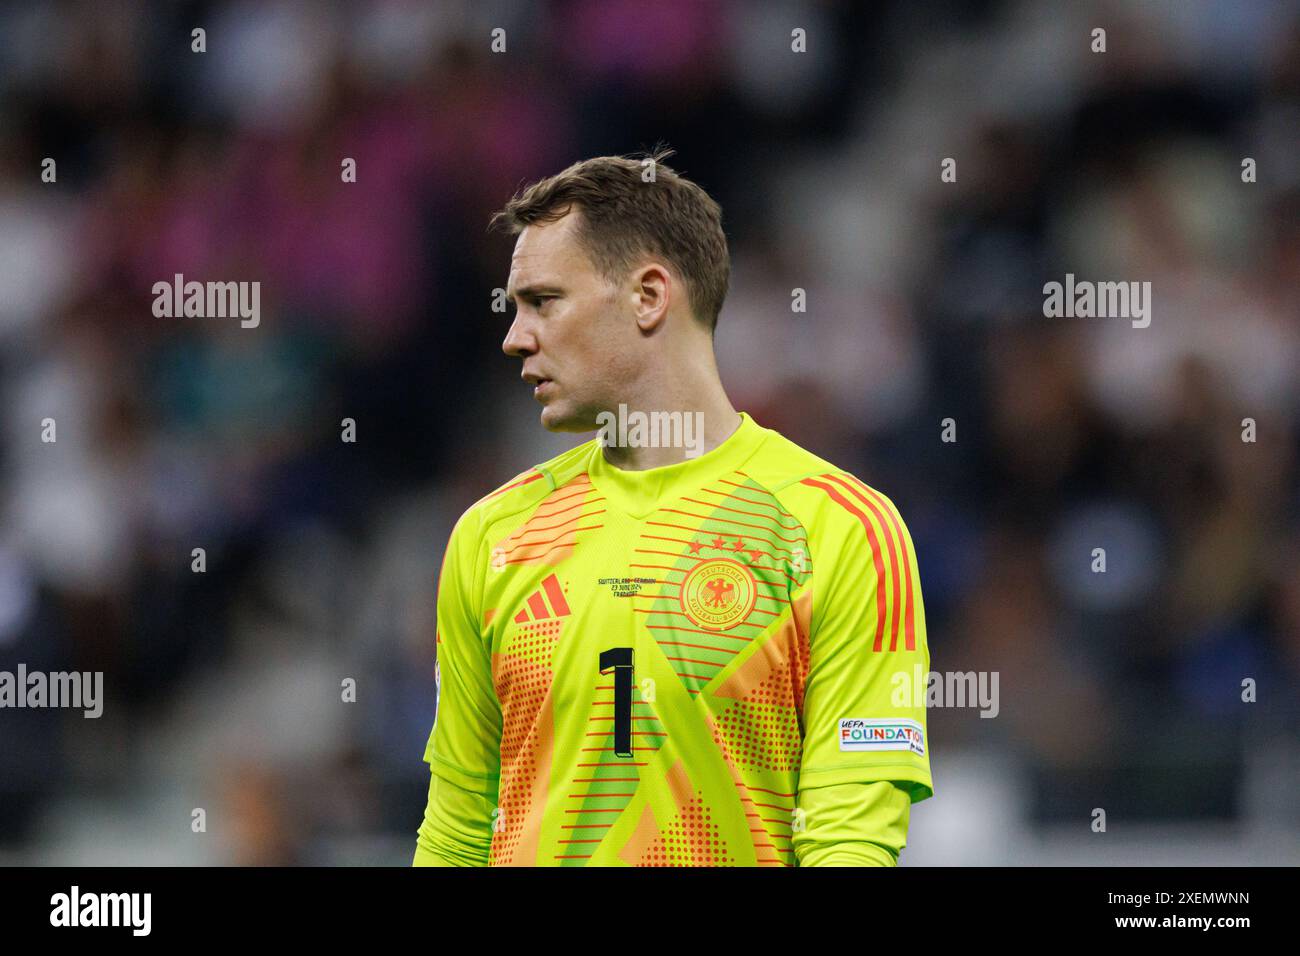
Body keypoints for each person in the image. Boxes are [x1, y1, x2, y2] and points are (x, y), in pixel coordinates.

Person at [413, 149, 933, 866]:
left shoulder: (839, 529)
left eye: (542, 301)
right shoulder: (492, 537)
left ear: (649, 296)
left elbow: (850, 838)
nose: (515, 337)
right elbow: (458, 827)